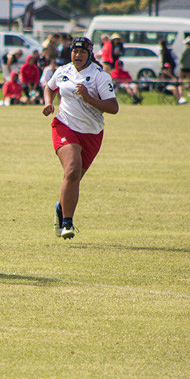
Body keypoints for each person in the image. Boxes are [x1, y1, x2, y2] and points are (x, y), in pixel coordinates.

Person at [42, 36, 118, 239]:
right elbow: (49, 87)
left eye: (82, 52)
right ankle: (67, 223)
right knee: (72, 170)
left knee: (73, 179)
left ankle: (61, 207)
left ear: (89, 54)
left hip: (92, 133)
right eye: (75, 51)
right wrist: (48, 103)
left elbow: (113, 107)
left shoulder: (99, 76)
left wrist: (89, 98)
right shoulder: (63, 70)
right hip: (64, 125)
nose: (77, 55)